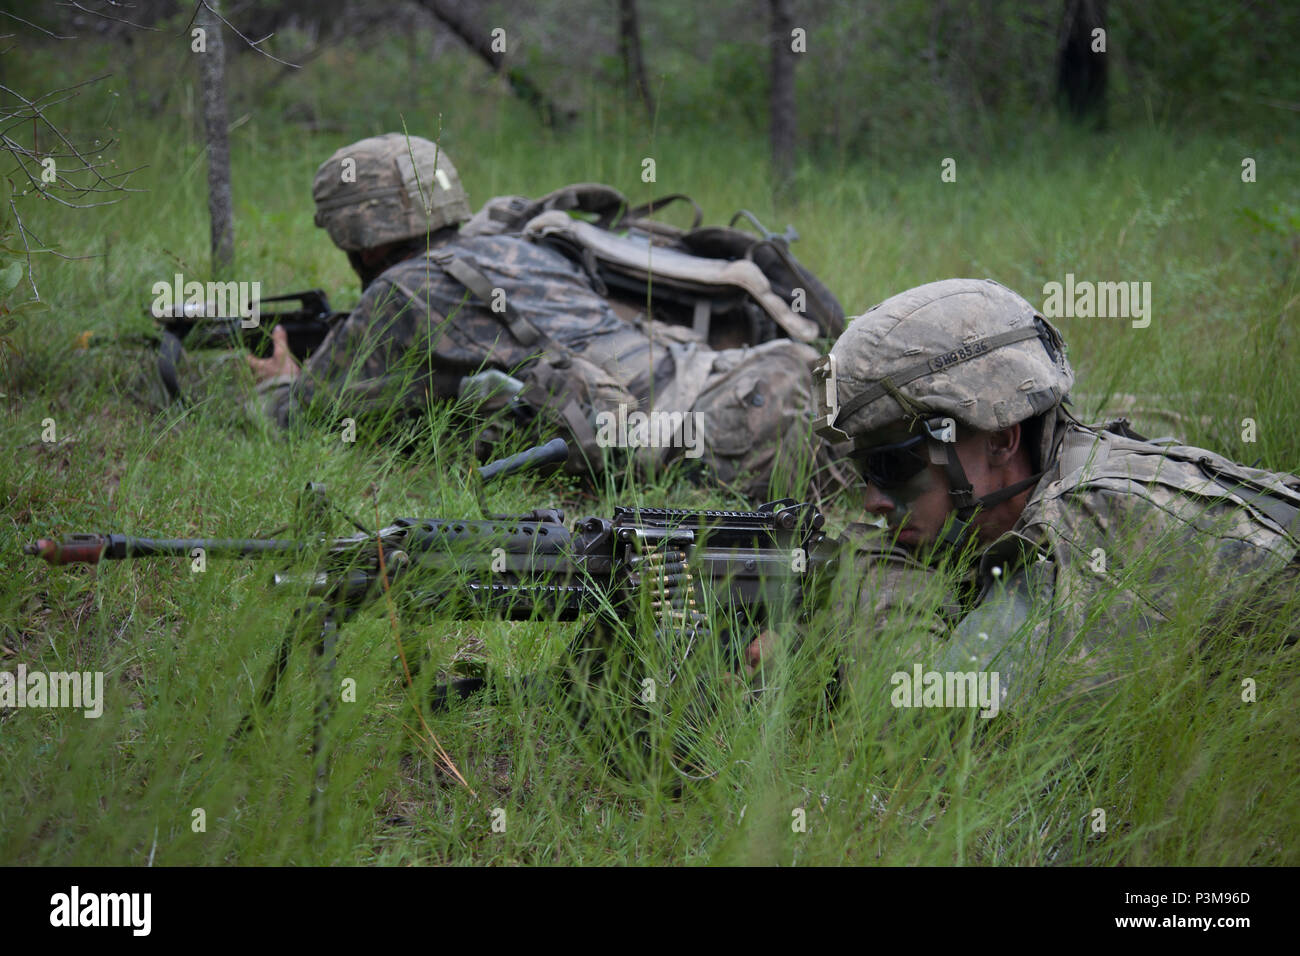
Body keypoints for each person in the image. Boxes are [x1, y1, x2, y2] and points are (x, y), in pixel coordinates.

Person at [248, 132, 842, 500]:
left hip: (709, 433)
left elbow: (305, 419)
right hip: (755, 376)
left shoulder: (399, 295)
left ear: (360, 238)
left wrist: (279, 385)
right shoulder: (523, 245)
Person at [805, 277, 1299, 709]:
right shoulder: (1013, 509)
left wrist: (876, 572)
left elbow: (938, 731)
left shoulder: (1095, 520)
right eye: (864, 470)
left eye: (891, 464)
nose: (872, 500)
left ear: (1000, 438)